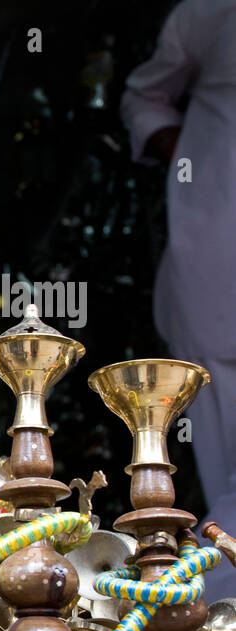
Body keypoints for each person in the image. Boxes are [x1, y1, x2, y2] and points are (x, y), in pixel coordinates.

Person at [121, 0, 236, 596]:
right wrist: (184, 159)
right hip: (214, 230)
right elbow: (144, 95)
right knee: (216, 411)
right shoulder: (206, 13)